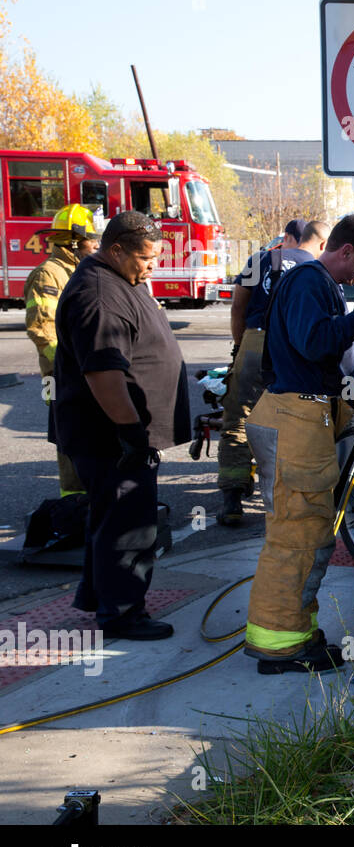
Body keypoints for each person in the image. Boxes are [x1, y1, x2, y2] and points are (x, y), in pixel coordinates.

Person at [242, 214, 354, 673]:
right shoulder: (308, 281)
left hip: (301, 415)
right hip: (294, 416)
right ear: (348, 251)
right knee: (298, 535)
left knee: (307, 533)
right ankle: (281, 647)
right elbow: (314, 342)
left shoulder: (319, 283)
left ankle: (291, 634)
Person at [51, 211, 191, 640]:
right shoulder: (98, 295)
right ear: (115, 250)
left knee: (109, 519)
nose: (153, 266)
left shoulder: (121, 281)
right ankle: (123, 615)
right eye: (146, 258)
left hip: (116, 434)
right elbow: (103, 375)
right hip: (110, 436)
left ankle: (99, 598)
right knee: (130, 526)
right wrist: (131, 432)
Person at [217, 219, 329, 525]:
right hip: (291, 346)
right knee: (291, 418)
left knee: (238, 418)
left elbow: (238, 304)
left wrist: (241, 346)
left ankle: (232, 500)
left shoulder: (264, 258)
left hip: (256, 338)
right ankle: (286, 501)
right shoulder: (317, 270)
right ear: (321, 245)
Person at [25, 203, 100, 498]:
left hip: (76, 368)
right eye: (91, 241)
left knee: (84, 431)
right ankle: (74, 501)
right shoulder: (49, 275)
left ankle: (89, 493)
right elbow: (41, 329)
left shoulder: (78, 270)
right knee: (68, 434)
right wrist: (68, 366)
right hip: (57, 373)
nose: (96, 246)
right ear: (73, 241)